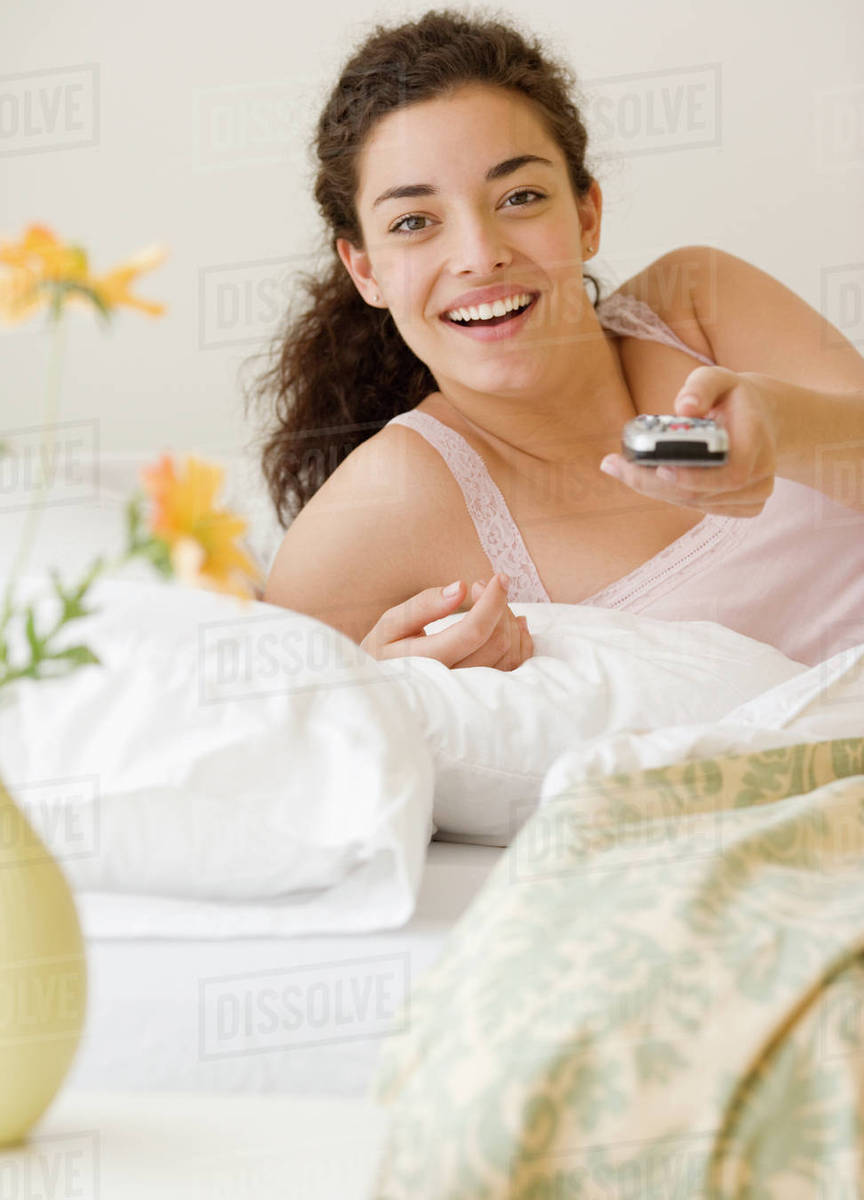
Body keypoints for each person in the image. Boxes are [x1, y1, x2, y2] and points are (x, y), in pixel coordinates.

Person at [251, 9, 864, 672]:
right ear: (365, 270)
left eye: (518, 197)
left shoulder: (699, 303)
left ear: (586, 215)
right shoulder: (385, 502)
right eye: (414, 221)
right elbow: (262, 740)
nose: (480, 256)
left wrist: (787, 428)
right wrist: (374, 690)